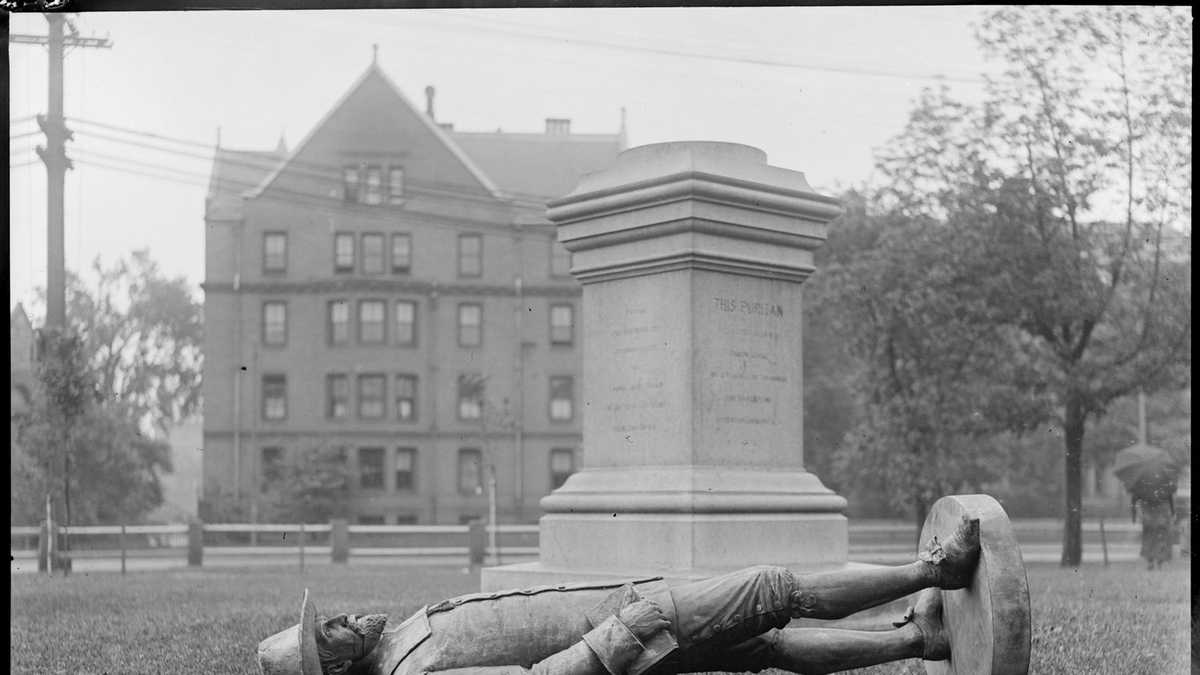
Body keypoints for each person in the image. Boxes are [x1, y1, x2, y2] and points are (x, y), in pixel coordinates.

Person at [258, 516, 981, 675]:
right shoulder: (410, 671)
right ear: (337, 666)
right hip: (633, 631)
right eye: (330, 631)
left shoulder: (404, 636)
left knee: (769, 647)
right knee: (772, 588)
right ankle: (934, 572)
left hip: (630, 613)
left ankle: (920, 640)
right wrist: (625, 630)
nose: (343, 619)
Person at [1134, 494, 1175, 570]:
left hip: (1149, 513)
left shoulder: (1144, 489)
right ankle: (1159, 560)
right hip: (1162, 514)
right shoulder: (1165, 488)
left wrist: (1138, 513)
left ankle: (1150, 561)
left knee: (1149, 538)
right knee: (1161, 538)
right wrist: (1172, 512)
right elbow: (1170, 500)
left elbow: (1138, 499)